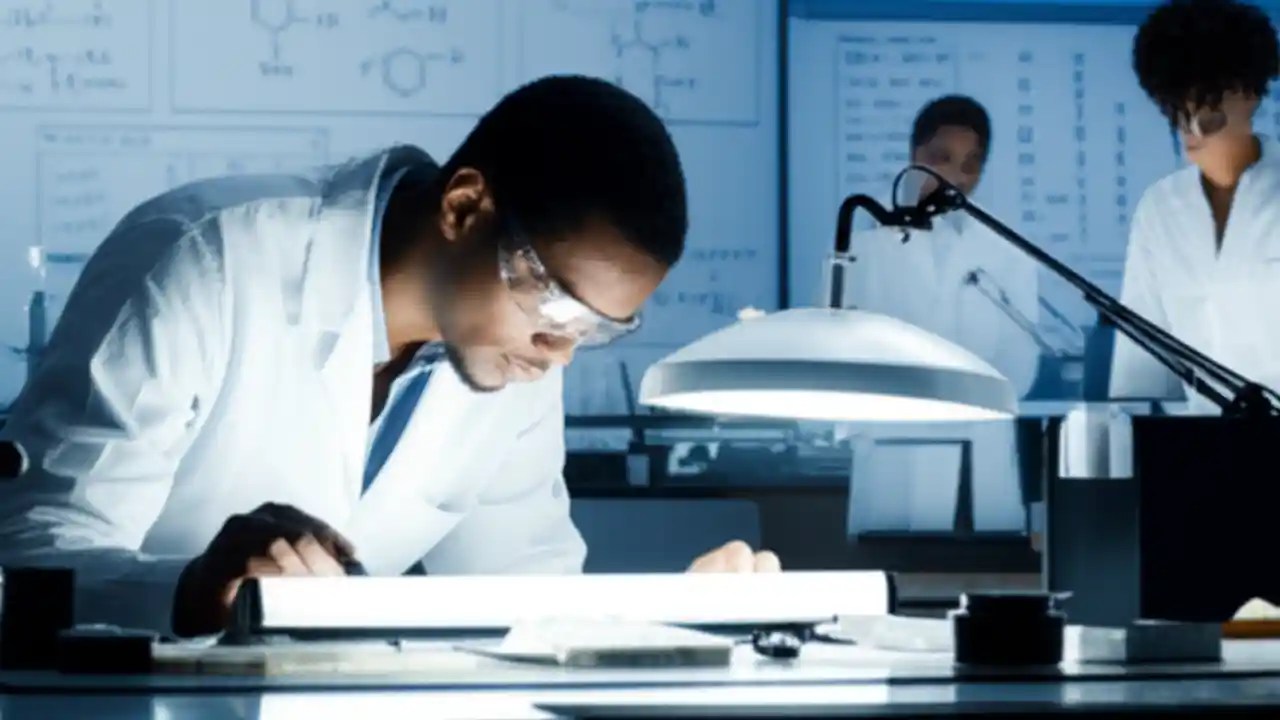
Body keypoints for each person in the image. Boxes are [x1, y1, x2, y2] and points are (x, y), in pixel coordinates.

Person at [0, 76, 778, 638]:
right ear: (464, 206)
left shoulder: (508, 355)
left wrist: (677, 621)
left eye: (599, 329)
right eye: (556, 305)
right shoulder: (205, 257)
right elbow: (28, 557)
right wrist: (190, 592)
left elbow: (522, 599)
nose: (560, 353)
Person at [843, 95, 1040, 534]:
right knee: (891, 574)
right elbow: (836, 345)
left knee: (983, 575)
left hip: (978, 445)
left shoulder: (1004, 249)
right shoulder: (863, 233)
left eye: (970, 165)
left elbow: (1021, 364)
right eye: (941, 158)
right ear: (914, 155)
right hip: (893, 445)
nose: (955, 176)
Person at [1113, 0, 1280, 412]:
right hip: (1200, 450)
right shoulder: (1160, 209)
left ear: (1251, 95)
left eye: (1209, 112)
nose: (1191, 129)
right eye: (1177, 113)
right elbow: (1141, 368)